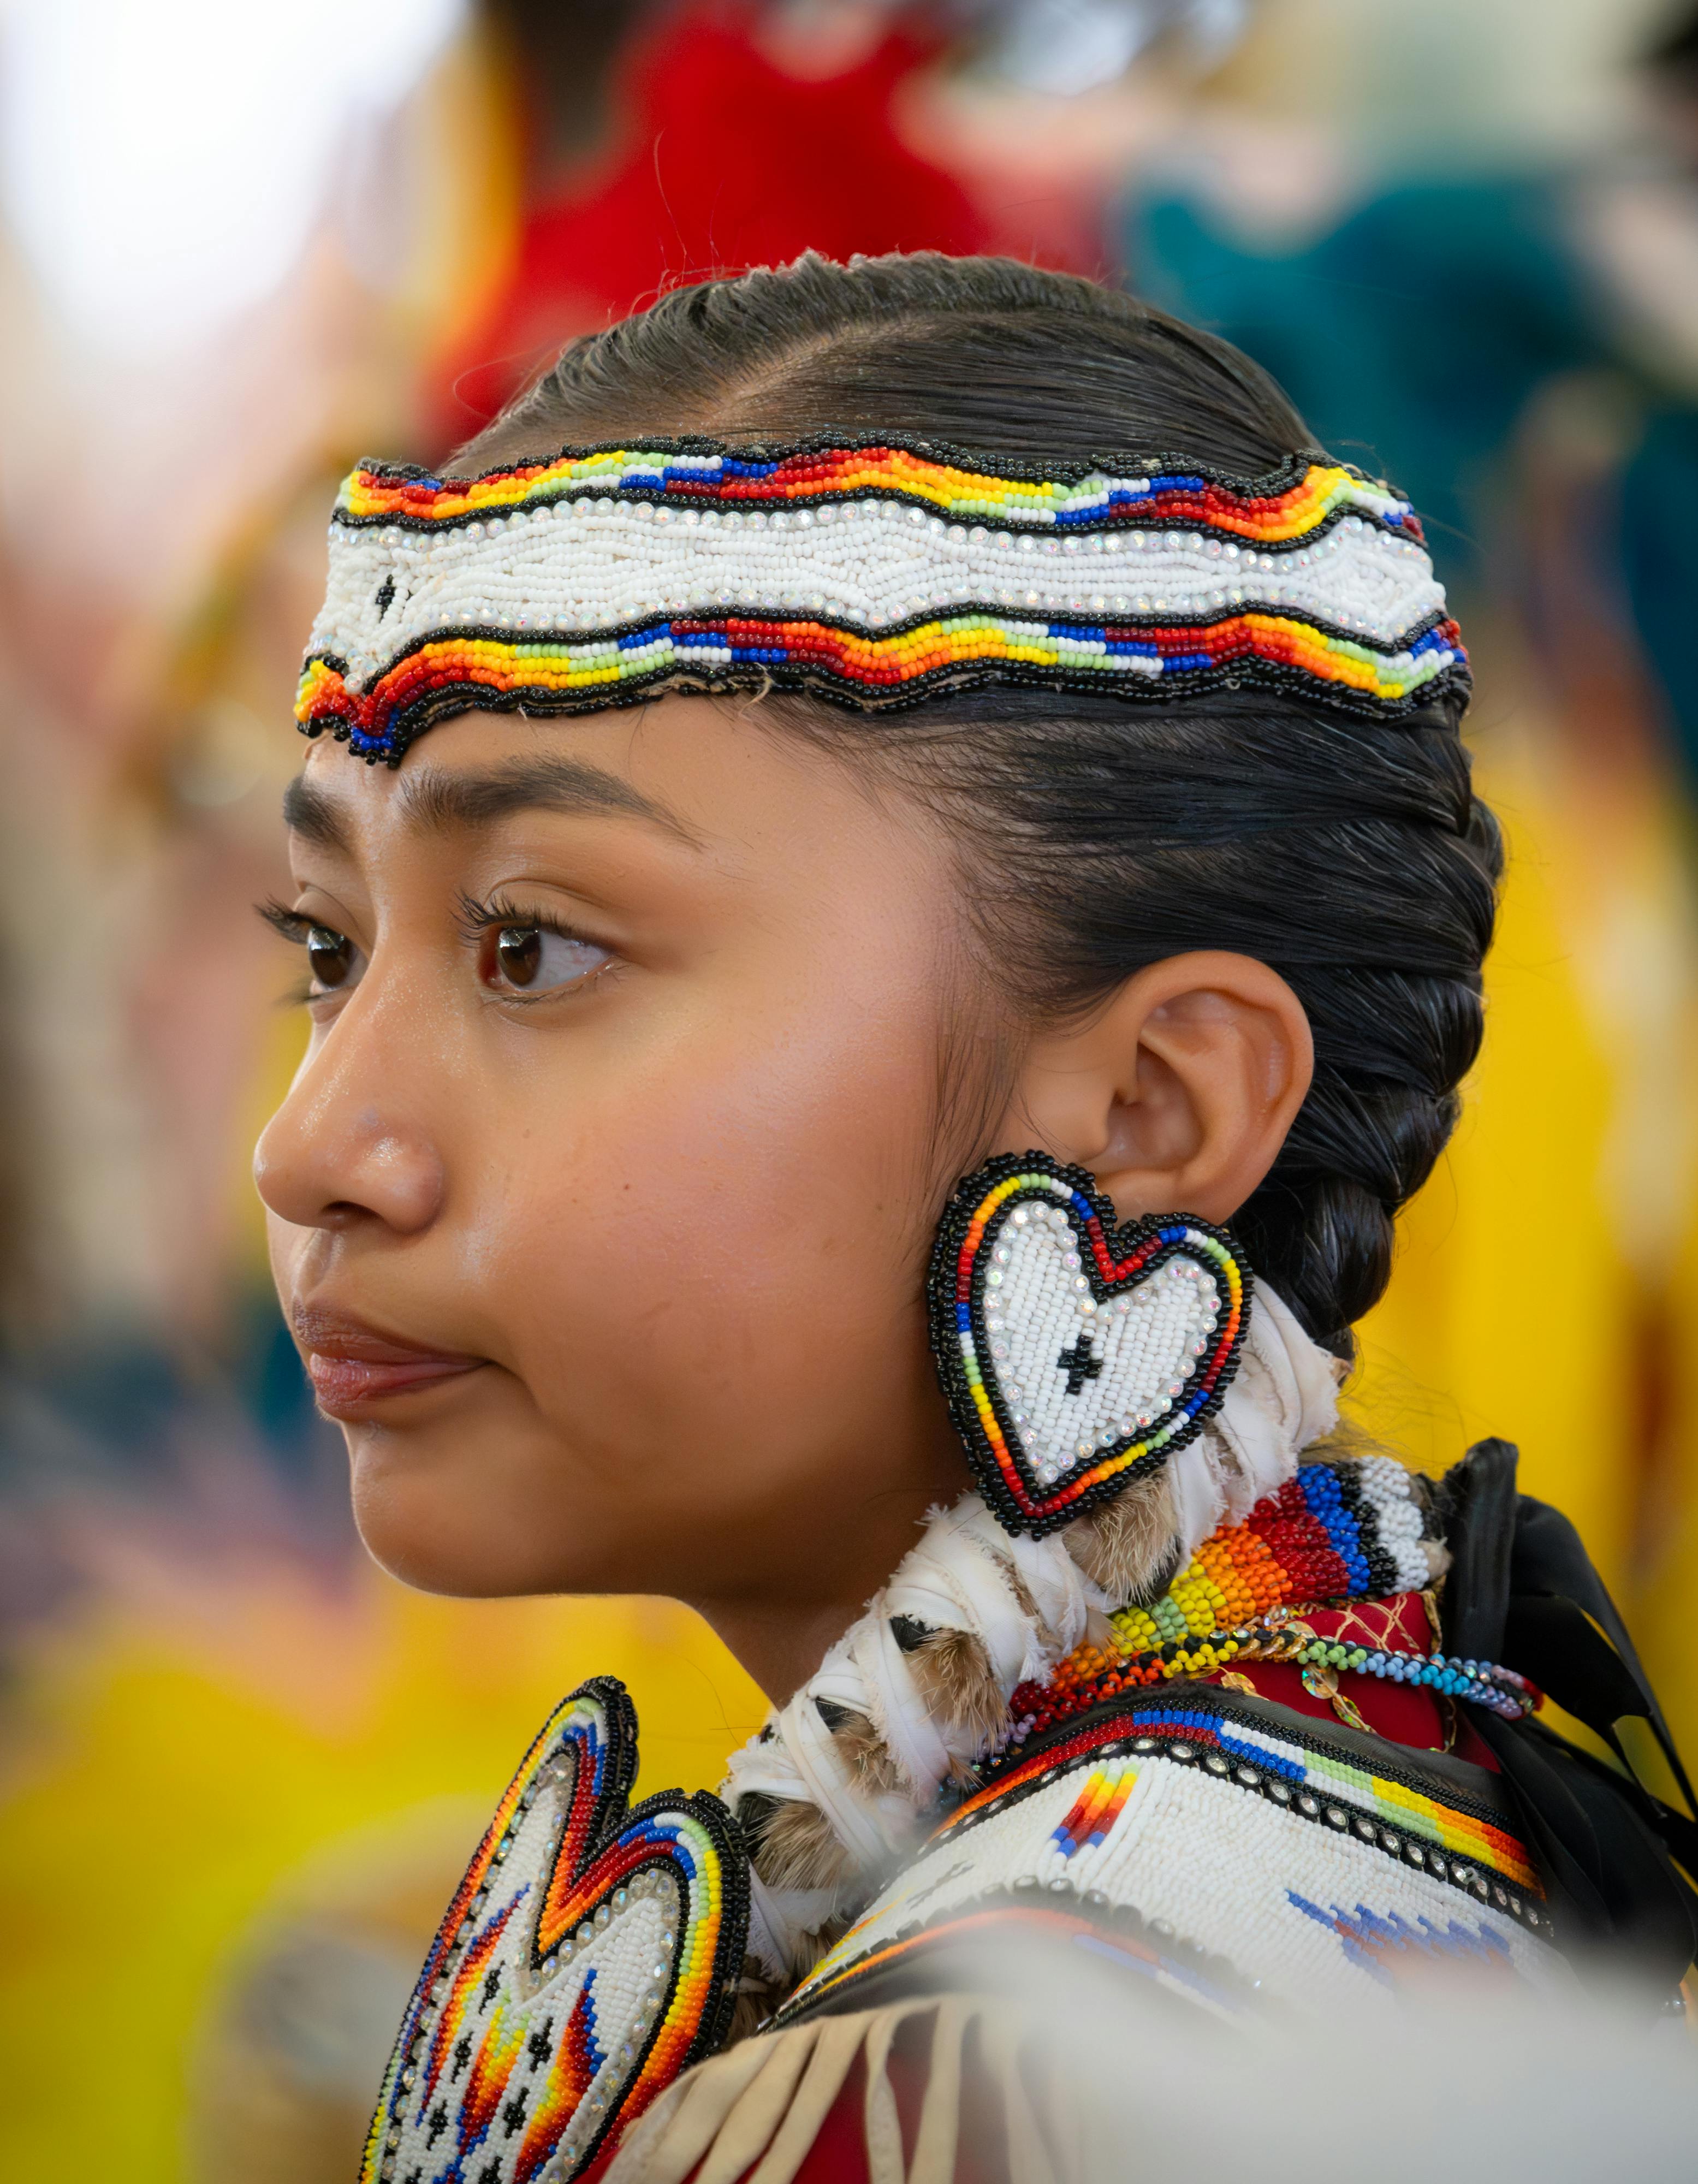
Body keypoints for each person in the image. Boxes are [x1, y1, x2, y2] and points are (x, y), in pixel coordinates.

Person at [259, 254, 1696, 2184]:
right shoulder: (1365, 1775)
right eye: (325, 951)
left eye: (534, 947)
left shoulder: (960, 2103)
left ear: (1153, 1107)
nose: (315, 1147)